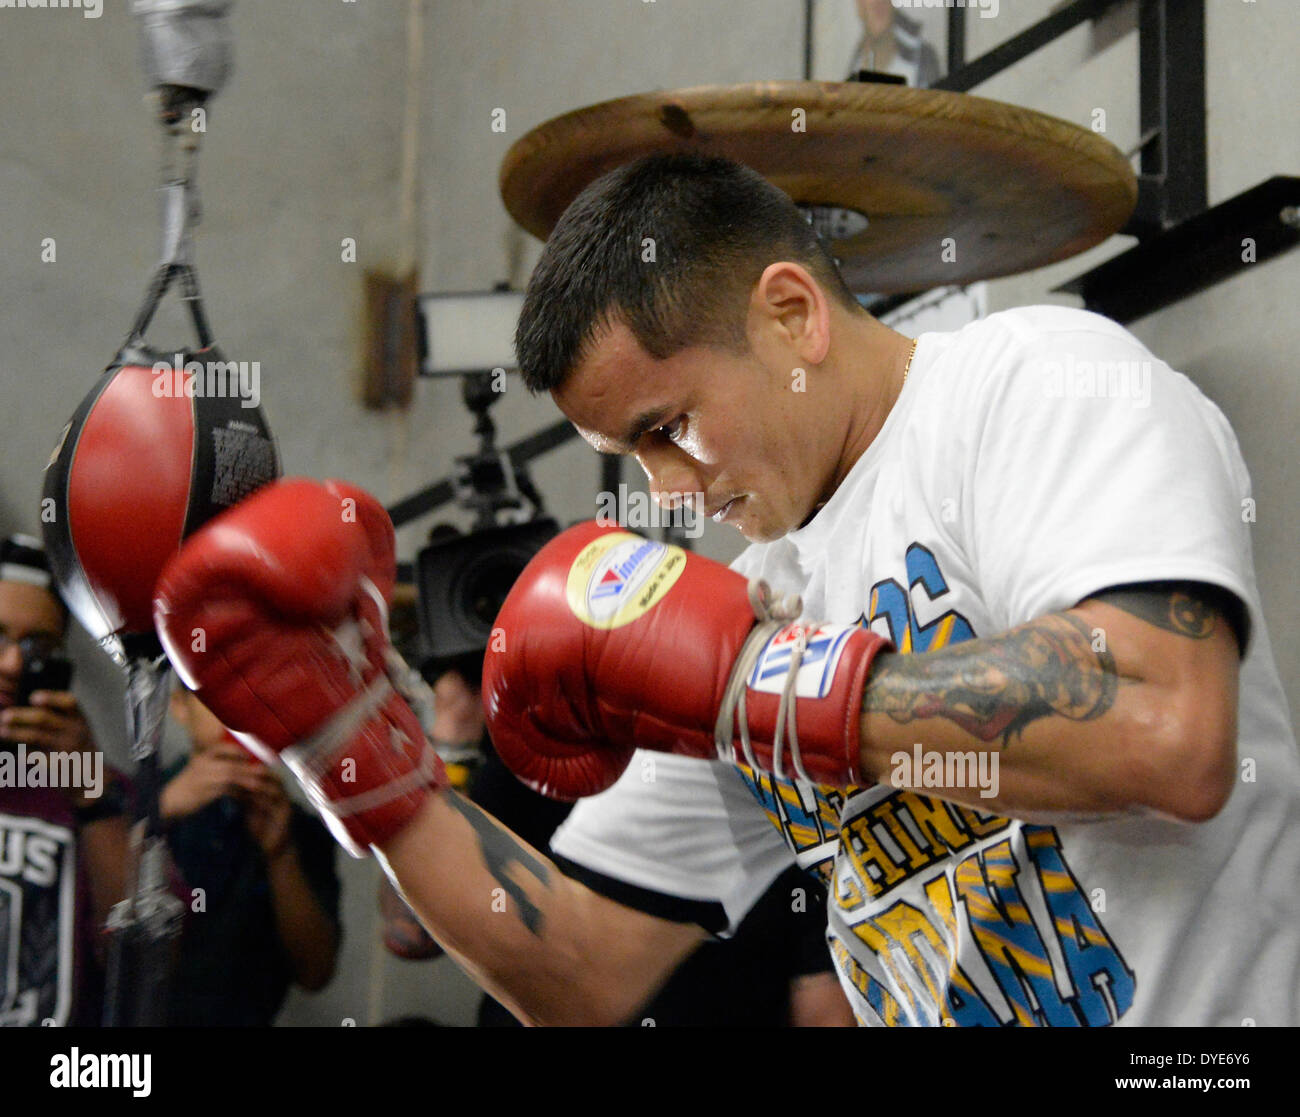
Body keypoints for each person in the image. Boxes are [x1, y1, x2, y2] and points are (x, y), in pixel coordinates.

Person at [152, 152, 1300, 1027]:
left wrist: (756, 683)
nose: (672, 492)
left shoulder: (1038, 384)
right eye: (633, 455)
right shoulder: (751, 606)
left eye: (671, 426)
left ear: (790, 313)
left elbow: (1165, 725)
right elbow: (581, 968)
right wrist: (359, 754)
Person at [379, 669, 853, 1026]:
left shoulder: (750, 766)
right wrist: (445, 748)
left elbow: (824, 1009)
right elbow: (410, 929)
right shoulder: (525, 762)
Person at [0, 534, 130, 1026]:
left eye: (36, 646)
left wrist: (92, 797)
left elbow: (144, 963)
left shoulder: (99, 788)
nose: (12, 664)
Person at [160, 685, 341, 1025]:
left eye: (255, 702)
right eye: (216, 698)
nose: (235, 716)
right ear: (179, 707)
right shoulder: (141, 802)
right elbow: (107, 949)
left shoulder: (298, 829)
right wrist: (159, 816)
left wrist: (281, 855)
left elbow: (315, 973)